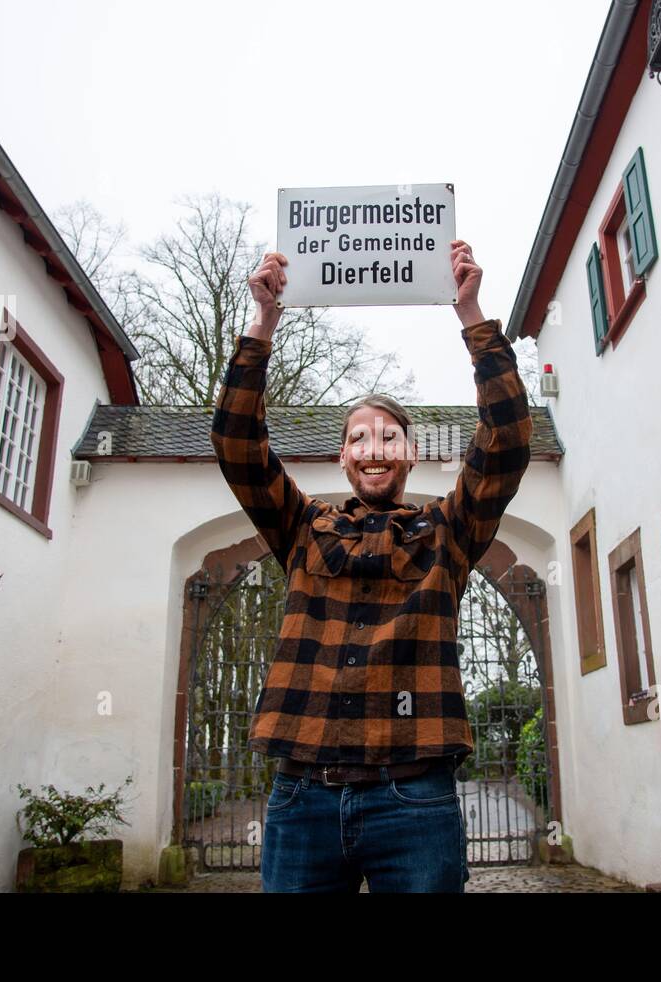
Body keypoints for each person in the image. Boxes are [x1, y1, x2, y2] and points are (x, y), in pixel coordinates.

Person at [210, 239, 533, 892]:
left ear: (410, 455)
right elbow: (237, 443)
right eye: (359, 436)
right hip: (302, 799)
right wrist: (264, 322)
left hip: (414, 799)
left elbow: (505, 442)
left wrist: (471, 315)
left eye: (388, 435)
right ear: (343, 458)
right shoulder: (302, 527)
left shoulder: (448, 529)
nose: (374, 446)